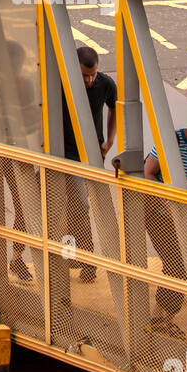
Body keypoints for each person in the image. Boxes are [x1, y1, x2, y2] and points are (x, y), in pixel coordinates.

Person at [143, 98, 187, 332]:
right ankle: (160, 319)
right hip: (163, 213)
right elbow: (149, 172)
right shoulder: (173, 142)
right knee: (178, 263)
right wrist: (166, 199)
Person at [61, 46, 117, 283]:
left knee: (79, 207)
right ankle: (82, 258)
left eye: (93, 74)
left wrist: (110, 139)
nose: (90, 80)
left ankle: (82, 258)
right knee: (76, 207)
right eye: (85, 75)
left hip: (93, 155)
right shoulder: (61, 83)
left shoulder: (104, 84)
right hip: (66, 154)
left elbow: (114, 107)